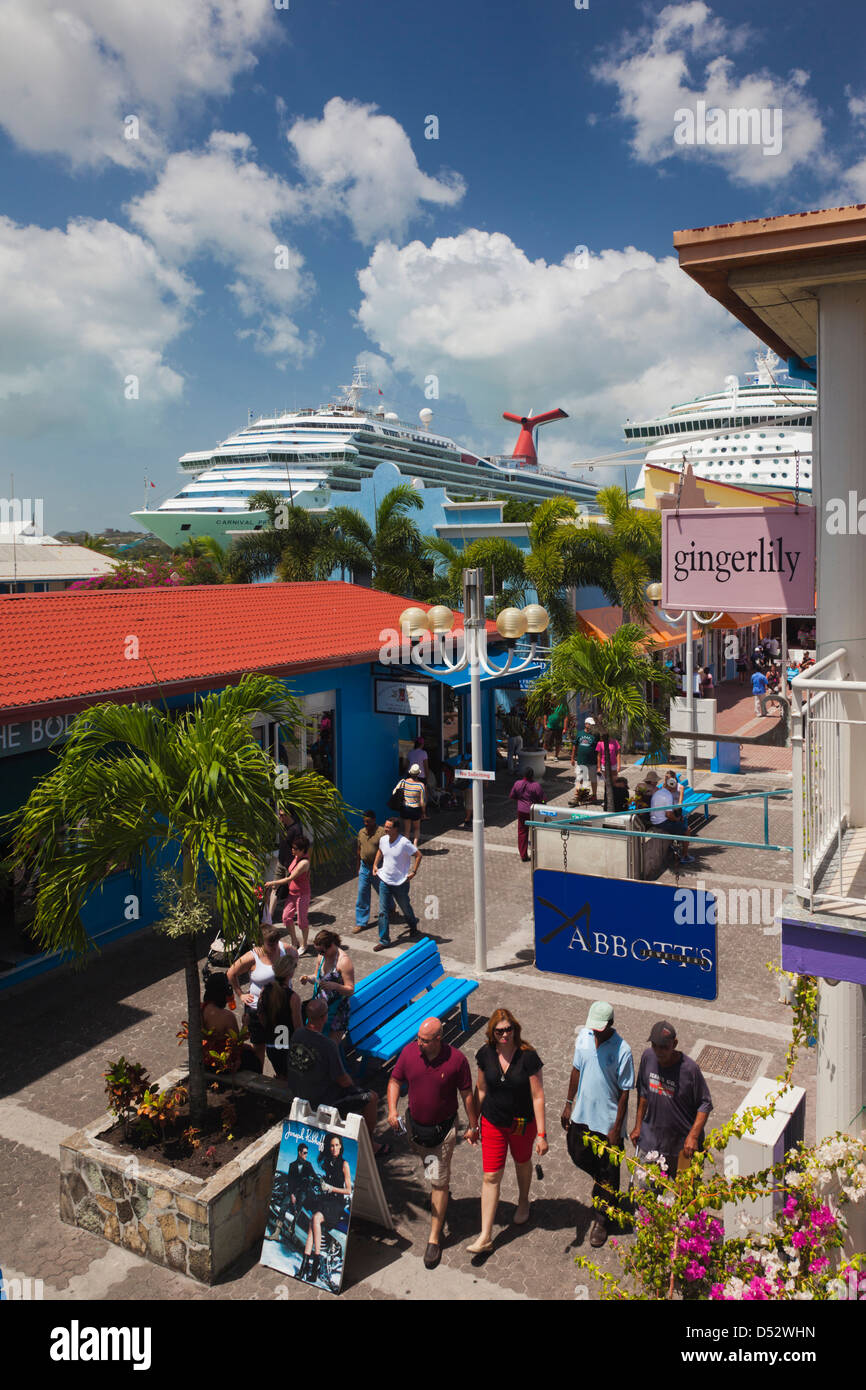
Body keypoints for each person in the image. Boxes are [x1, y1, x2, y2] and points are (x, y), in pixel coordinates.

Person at [387, 1018, 479, 1269]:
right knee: (431, 1170)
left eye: (424, 1040)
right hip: (416, 1131)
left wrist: (473, 1126)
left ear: (439, 1039)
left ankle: (434, 1239)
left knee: (439, 1180)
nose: (418, 1043)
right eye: (418, 1037)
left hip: (443, 1133)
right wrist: (393, 1109)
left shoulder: (457, 1061)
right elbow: (395, 1081)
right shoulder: (408, 1053)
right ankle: (440, 1190)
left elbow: (467, 1095)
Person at [465, 1009, 547, 1255]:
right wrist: (473, 1124)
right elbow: (480, 1090)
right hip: (493, 1122)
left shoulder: (528, 1057)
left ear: (514, 1029)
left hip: (522, 1123)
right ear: (492, 1032)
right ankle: (485, 1235)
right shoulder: (485, 1054)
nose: (504, 1034)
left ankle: (524, 1201)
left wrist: (542, 1134)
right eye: (499, 1031)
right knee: (491, 1176)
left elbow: (538, 1096)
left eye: (508, 1030)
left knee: (522, 1162)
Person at [561, 1001, 634, 1248]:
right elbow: (576, 1070)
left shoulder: (623, 1050)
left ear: (611, 1024)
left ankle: (602, 1219)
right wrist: (568, 1103)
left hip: (607, 1124)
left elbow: (625, 1093)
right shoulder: (584, 1037)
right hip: (582, 1115)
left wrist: (616, 1127)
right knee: (577, 1152)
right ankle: (602, 1187)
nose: (596, 1032)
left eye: (600, 1028)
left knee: (609, 1172)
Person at [282, 996, 387, 1153]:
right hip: (321, 1099)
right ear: (325, 1018)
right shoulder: (327, 1045)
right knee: (371, 1097)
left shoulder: (298, 1034)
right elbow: (343, 1080)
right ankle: (370, 1145)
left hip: (299, 1091)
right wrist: (355, 1087)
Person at [630, 1022, 713, 1182]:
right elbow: (643, 1093)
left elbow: (705, 1104)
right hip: (652, 1143)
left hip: (682, 1148)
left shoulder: (689, 1069)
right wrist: (638, 1126)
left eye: (664, 1047)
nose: (659, 1051)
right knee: (646, 1196)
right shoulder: (648, 1057)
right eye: (655, 1046)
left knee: (686, 1198)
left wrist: (693, 1136)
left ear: (674, 1044)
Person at [227, 925, 291, 1066]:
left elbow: (293, 955)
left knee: (282, 1046)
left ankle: (282, 1077)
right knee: (259, 1046)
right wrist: (241, 994)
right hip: (257, 1009)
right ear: (262, 942)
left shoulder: (283, 949)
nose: (275, 947)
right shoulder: (252, 956)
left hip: (281, 1010)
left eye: (276, 943)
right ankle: (259, 1075)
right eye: (270, 944)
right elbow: (231, 973)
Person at [298, 1133, 353, 1286]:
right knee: (312, 1223)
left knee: (315, 1218)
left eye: (337, 1145)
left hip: (336, 1203)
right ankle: (304, 1267)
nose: (334, 1148)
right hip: (326, 1199)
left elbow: (348, 1190)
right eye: (331, 1145)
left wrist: (331, 1188)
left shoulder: (344, 1164)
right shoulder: (327, 1162)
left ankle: (314, 1266)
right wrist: (322, 1183)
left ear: (340, 1146)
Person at [372, 817, 423, 950]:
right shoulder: (383, 840)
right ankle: (384, 940)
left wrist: (413, 872)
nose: (385, 829)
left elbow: (418, 855)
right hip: (384, 880)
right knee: (383, 911)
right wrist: (375, 865)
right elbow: (380, 851)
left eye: (388, 827)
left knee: (405, 907)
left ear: (395, 829)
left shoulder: (404, 842)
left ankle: (413, 927)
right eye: (385, 826)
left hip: (400, 882)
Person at [199, 973, 263, 1074]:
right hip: (222, 1062)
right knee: (254, 1060)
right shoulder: (227, 1016)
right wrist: (245, 1024)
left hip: (205, 1058)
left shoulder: (200, 1009)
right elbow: (238, 1044)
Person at [299, 929, 354, 1042]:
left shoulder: (343, 962)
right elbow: (317, 978)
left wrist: (335, 986)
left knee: (330, 1047)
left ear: (332, 945)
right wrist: (308, 978)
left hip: (337, 1012)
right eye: (318, 951)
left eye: (322, 951)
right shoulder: (322, 957)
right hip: (321, 1008)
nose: (320, 954)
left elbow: (350, 990)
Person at [264, 836, 313, 955]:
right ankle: (294, 941)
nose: (292, 850)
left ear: (302, 850)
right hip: (293, 893)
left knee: (302, 921)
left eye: (295, 849)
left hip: (302, 894)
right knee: (286, 917)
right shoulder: (296, 857)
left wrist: (273, 882)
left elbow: (290, 878)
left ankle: (304, 944)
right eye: (292, 848)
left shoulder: (304, 863)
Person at [258, 951, 302, 1077]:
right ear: (291, 973)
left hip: (272, 1044)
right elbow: (298, 1027)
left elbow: (261, 1016)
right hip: (288, 1046)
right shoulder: (293, 997)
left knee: (281, 1076)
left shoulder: (265, 990)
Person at [649, 772, 693, 864]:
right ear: (672, 787)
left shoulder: (659, 792)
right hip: (661, 822)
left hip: (654, 819)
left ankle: (675, 847)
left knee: (680, 822)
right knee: (687, 830)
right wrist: (676, 820)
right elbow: (668, 815)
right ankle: (685, 856)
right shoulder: (668, 796)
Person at [354, 809, 383, 935]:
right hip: (364, 867)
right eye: (364, 821)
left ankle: (391, 907)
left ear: (374, 820)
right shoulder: (361, 832)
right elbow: (359, 850)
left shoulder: (381, 833)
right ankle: (361, 922)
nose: (366, 824)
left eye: (368, 821)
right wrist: (358, 866)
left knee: (382, 890)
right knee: (362, 893)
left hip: (378, 867)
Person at [509, 766, 545, 862]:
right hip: (532, 811)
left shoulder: (517, 783)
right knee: (535, 831)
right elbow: (542, 799)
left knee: (522, 833)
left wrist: (520, 799)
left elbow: (512, 795)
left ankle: (523, 855)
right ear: (532, 775)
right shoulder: (536, 786)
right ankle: (536, 853)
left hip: (521, 811)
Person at [392, 764, 426, 847]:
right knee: (416, 828)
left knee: (407, 830)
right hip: (416, 809)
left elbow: (395, 792)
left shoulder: (404, 782)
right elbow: (422, 801)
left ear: (410, 773)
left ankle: (406, 846)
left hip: (405, 808)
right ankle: (415, 845)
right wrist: (424, 812)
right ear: (418, 774)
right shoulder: (421, 785)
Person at [569, 715, 599, 805]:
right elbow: (575, 746)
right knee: (579, 778)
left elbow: (598, 750)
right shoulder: (580, 734)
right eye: (590, 724)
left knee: (593, 779)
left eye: (593, 725)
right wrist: (572, 758)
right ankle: (577, 796)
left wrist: (598, 763)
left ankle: (594, 795)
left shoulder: (595, 735)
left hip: (592, 762)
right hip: (581, 761)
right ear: (586, 724)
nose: (592, 726)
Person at [503, 707, 524, 775]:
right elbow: (523, 730)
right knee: (520, 754)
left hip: (512, 738)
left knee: (510, 755)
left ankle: (511, 771)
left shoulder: (507, 719)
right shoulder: (518, 720)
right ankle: (520, 769)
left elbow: (503, 723)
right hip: (519, 737)